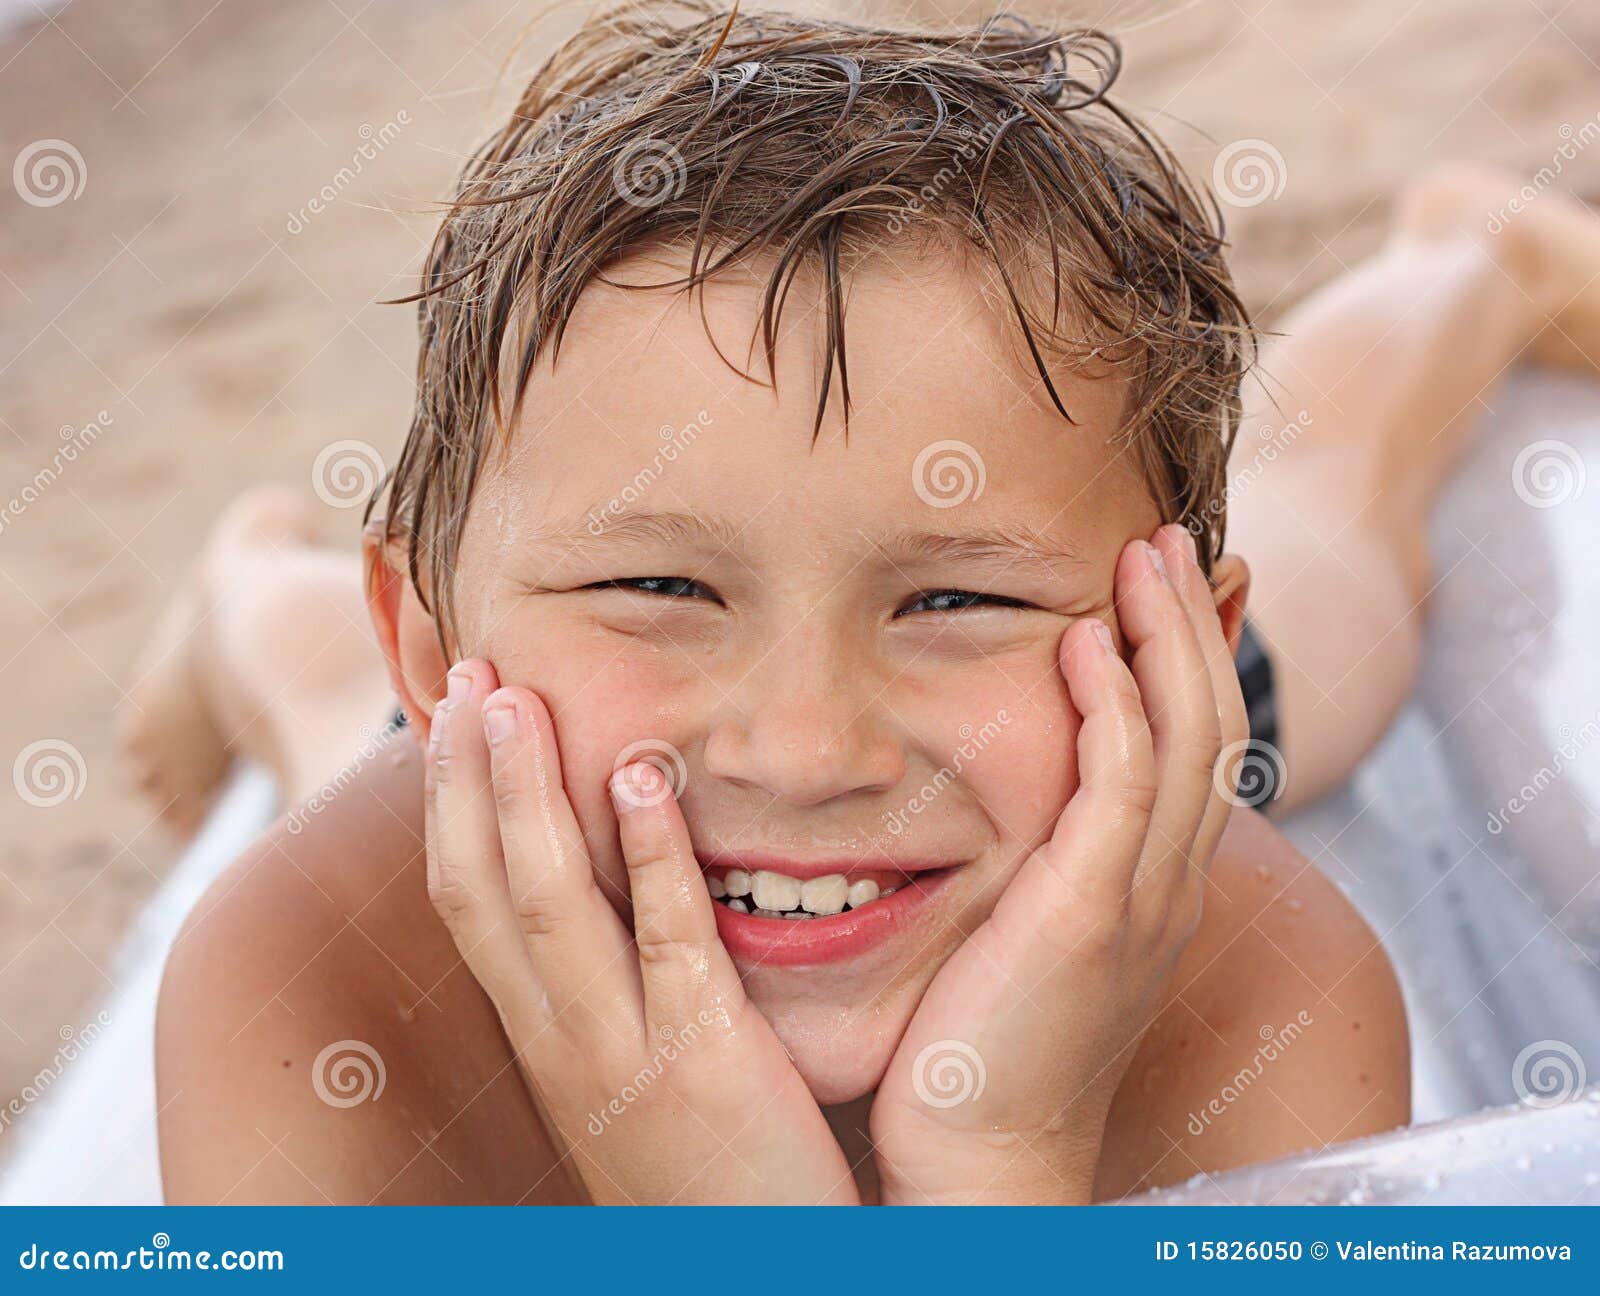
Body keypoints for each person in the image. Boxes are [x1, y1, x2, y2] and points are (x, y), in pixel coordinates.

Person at [133, 1, 1600, 1204]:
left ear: (1173, 662)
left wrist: (992, 1158)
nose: (808, 747)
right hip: (462, 827)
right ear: (435, 640)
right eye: (657, 582)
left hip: (963, 802)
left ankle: (1473, 262)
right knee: (354, 745)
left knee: (1327, 536)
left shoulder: (1267, 992)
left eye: (955, 597)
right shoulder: (314, 996)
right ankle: (278, 619)